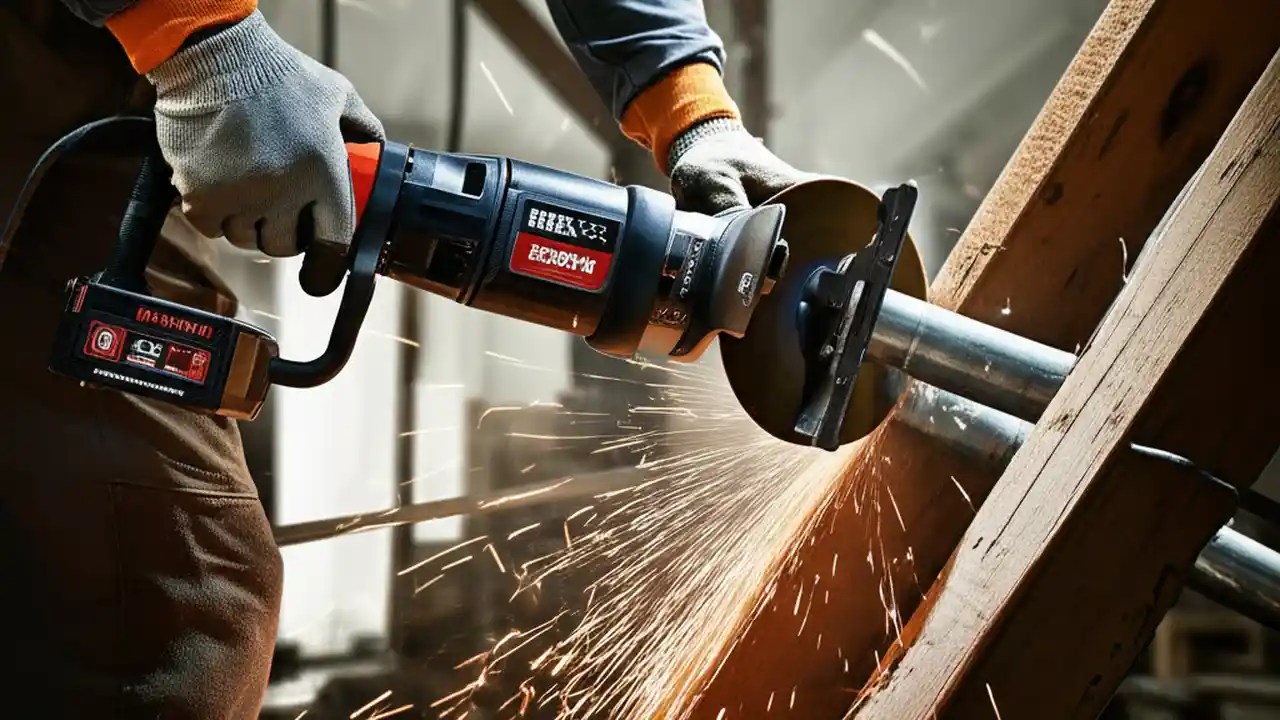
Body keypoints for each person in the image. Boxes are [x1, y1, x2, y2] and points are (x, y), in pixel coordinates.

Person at [0, 0, 808, 716]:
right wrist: (200, 39)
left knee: (171, 606)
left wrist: (694, 115)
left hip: (101, 73)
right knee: (151, 618)